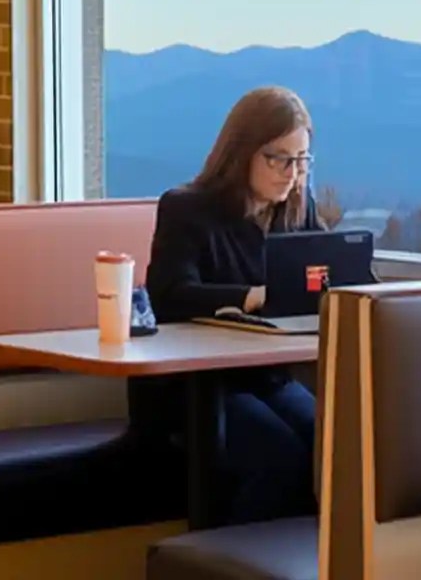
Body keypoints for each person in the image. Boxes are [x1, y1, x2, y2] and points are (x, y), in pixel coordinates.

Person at [136, 85, 322, 525]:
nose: (291, 173)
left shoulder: (297, 211)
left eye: (301, 160)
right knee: (280, 456)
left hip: (267, 377)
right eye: (278, 157)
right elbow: (168, 294)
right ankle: (234, 565)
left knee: (331, 447)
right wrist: (248, 298)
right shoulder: (186, 208)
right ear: (242, 153)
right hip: (197, 386)